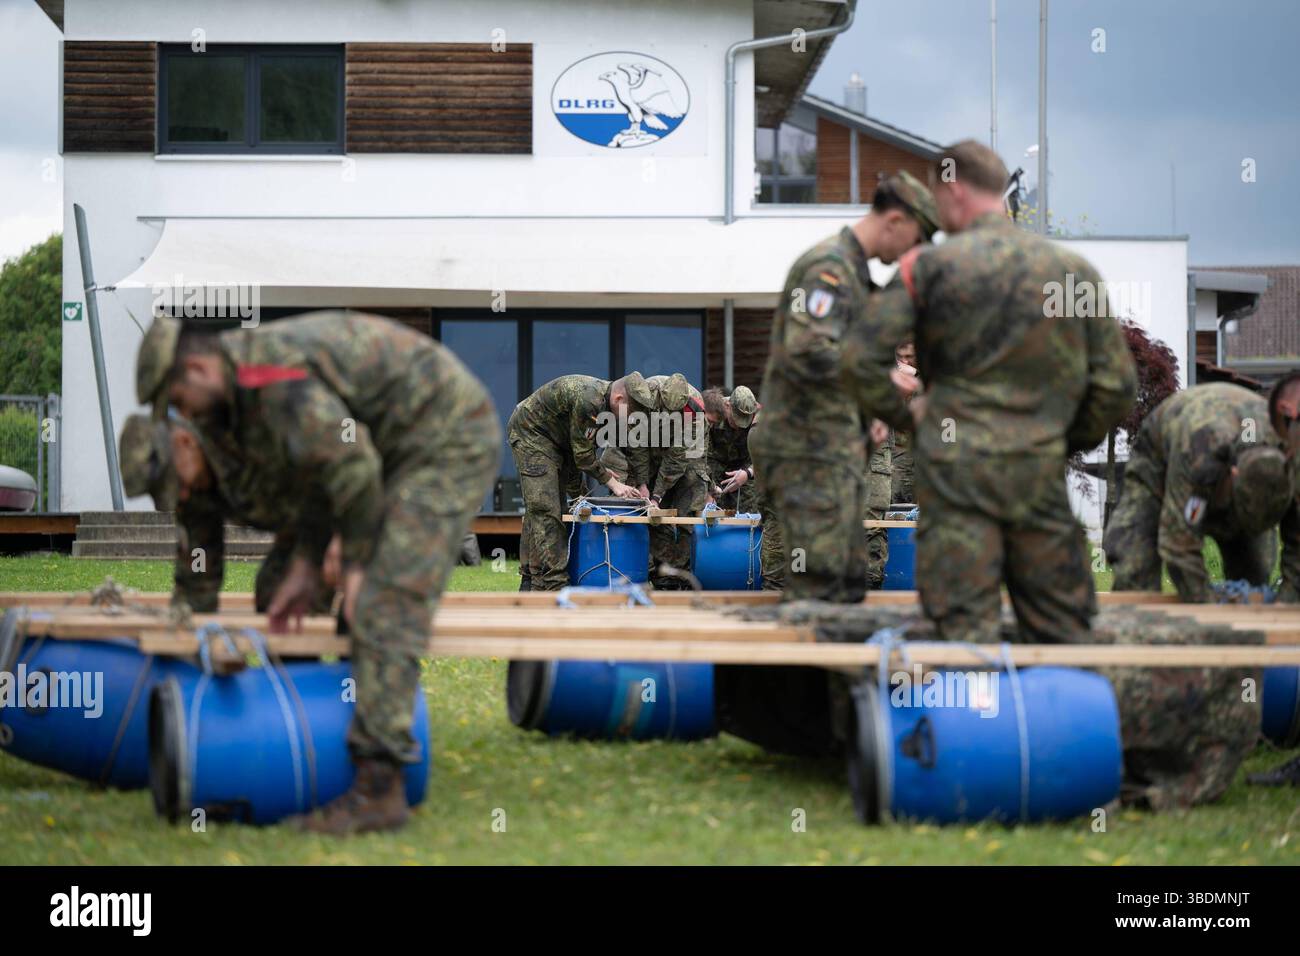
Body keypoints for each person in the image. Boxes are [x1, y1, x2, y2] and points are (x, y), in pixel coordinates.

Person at [135, 309, 500, 834]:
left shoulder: (270, 378)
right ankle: (305, 729)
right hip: (378, 455)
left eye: (177, 401)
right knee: (280, 588)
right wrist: (307, 565)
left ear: (197, 369)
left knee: (383, 597)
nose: (182, 414)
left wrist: (352, 565)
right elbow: (316, 475)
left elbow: (352, 466)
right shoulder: (239, 394)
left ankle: (379, 787)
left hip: (443, 436)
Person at [842, 140, 1137, 642]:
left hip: (957, 488)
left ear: (953, 189)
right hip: (1036, 481)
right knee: (1064, 635)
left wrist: (917, 424)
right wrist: (1056, 440)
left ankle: (963, 719)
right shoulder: (1070, 271)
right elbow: (1117, 385)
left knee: (958, 641)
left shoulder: (926, 270)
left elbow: (857, 359)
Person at [749, 171, 939, 603]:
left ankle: (826, 665)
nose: (915, 251)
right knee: (819, 591)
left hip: (830, 450)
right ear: (895, 220)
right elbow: (810, 351)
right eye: (917, 237)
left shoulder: (852, 272)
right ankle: (795, 669)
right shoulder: (829, 268)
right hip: (807, 453)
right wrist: (885, 379)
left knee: (843, 587)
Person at [118, 413, 339, 618]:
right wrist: (187, 631)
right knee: (275, 594)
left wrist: (341, 537)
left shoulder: (248, 429)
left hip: (351, 504)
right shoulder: (193, 493)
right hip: (301, 528)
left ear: (185, 442)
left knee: (356, 608)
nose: (182, 495)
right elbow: (199, 566)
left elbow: (339, 464)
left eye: (177, 483)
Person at [1104, 382, 1298, 603]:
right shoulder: (1199, 455)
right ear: (1233, 475)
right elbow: (1179, 545)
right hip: (1160, 458)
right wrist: (1209, 608)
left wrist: (1286, 603)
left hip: (1227, 462)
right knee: (1135, 566)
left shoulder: (1293, 459)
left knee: (1254, 575)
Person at [507, 373, 656, 590]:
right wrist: (612, 483)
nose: (631, 419)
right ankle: (553, 585)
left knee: (568, 505)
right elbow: (583, 457)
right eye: (631, 413)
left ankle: (533, 582)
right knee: (545, 509)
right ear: (618, 400)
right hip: (532, 433)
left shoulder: (611, 409)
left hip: (560, 443)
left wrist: (637, 483)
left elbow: (606, 449)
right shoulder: (590, 400)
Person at [644, 373, 712, 588]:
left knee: (689, 505)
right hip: (649, 444)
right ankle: (660, 573)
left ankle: (683, 574)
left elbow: (677, 457)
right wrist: (644, 486)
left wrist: (657, 494)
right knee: (654, 514)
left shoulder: (696, 413)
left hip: (685, 451)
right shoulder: (645, 394)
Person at [702, 385, 760, 513]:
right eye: (736, 419)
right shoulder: (713, 410)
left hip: (745, 467)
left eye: (745, 421)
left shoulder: (761, 418)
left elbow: (767, 457)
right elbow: (699, 455)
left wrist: (748, 473)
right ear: (727, 406)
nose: (739, 425)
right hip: (713, 466)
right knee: (709, 507)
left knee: (750, 509)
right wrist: (707, 488)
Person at [889, 340, 919, 505]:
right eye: (899, 357)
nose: (904, 362)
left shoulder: (927, 379)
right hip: (897, 456)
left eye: (909, 356)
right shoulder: (891, 379)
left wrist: (916, 377)